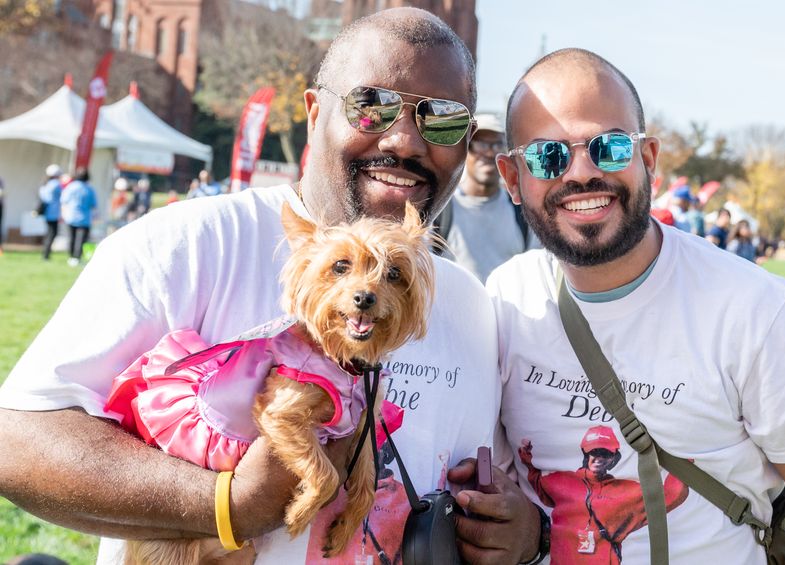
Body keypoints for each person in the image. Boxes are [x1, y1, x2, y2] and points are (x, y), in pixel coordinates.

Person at [0, 9, 539, 565]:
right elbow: (17, 441)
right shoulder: (186, 244)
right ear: (313, 113)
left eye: (442, 120)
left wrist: (524, 536)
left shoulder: (474, 306)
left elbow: (506, 483)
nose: (404, 140)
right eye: (371, 106)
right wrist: (223, 504)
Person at [489, 47, 785, 563]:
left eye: (609, 147)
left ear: (649, 159)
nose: (581, 173)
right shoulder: (504, 302)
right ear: (511, 179)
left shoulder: (755, 311)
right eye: (549, 156)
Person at [518, 427, 688, 563]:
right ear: (586, 453)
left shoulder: (626, 491)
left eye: (605, 454)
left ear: (613, 458)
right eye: (595, 452)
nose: (599, 458)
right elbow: (538, 483)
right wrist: (528, 462)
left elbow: (669, 494)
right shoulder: (562, 480)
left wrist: (686, 457)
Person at [434, 112, 538, 282]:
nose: (489, 153)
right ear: (465, 150)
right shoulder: (440, 210)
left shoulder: (523, 212)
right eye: (481, 144)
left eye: (497, 145)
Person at [60, 167, 98, 267]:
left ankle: (71, 257)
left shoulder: (70, 187)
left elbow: (63, 201)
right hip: (85, 218)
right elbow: (93, 205)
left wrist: (63, 213)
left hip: (71, 216)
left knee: (71, 238)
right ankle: (77, 257)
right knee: (81, 240)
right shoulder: (89, 189)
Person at [38, 164, 63, 260]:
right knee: (52, 233)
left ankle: (45, 253)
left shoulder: (45, 184)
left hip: (47, 212)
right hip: (53, 212)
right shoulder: (56, 184)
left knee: (49, 233)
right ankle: (46, 254)